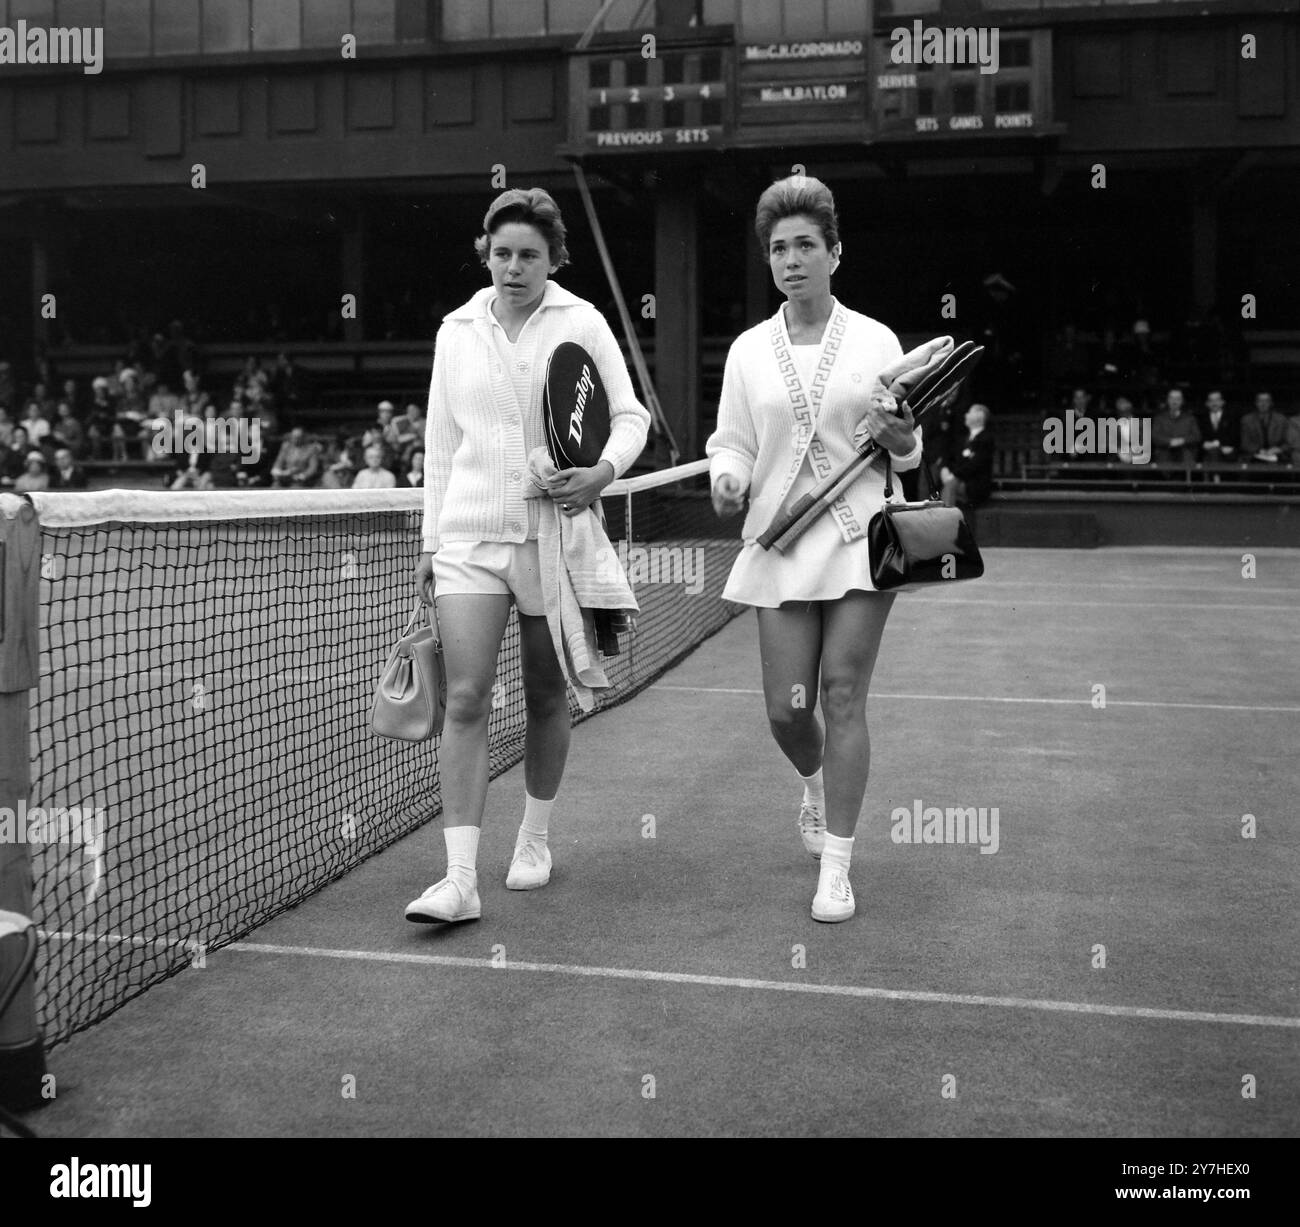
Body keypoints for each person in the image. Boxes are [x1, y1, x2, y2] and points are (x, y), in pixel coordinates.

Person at [407, 186, 650, 925]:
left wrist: (601, 472)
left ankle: (535, 837)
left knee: (547, 694)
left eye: (529, 256)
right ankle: (458, 879)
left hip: (552, 539)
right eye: (502, 253)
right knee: (466, 696)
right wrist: (431, 541)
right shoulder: (456, 329)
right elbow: (441, 445)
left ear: (554, 259)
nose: (513, 268)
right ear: (487, 253)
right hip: (470, 540)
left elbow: (630, 416)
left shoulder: (582, 321)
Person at [707, 175, 945, 924]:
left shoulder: (876, 340)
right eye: (779, 248)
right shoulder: (748, 350)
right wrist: (727, 476)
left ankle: (837, 868)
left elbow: (904, 453)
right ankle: (812, 785)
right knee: (788, 709)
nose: (791, 259)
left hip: (858, 540)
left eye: (806, 244)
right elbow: (733, 441)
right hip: (778, 541)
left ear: (835, 253)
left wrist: (905, 442)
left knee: (842, 695)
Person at [939, 403, 994, 507]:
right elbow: (951, 457)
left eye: (969, 412)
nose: (966, 415)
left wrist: (953, 475)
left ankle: (945, 517)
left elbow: (975, 464)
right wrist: (945, 468)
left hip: (975, 485)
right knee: (948, 484)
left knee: (950, 485)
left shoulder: (986, 439)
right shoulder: (963, 438)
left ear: (980, 416)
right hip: (959, 482)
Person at [1151, 388, 1200, 468]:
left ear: (1182, 401)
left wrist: (1182, 440)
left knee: (1187, 461)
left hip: (1185, 456)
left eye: (1177, 399)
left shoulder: (1190, 418)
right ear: (1167, 400)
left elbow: (1196, 436)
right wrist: (1170, 441)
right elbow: (1155, 437)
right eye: (1172, 398)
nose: (1174, 401)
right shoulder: (1159, 418)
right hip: (1165, 456)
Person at [1239, 391, 1287, 463]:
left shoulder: (1281, 419)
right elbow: (1245, 443)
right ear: (1256, 403)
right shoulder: (1247, 419)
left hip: (1277, 456)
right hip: (1253, 456)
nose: (1263, 404)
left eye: (1266, 401)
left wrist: (1279, 449)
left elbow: (1288, 442)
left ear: (1271, 403)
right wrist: (1259, 450)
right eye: (1260, 401)